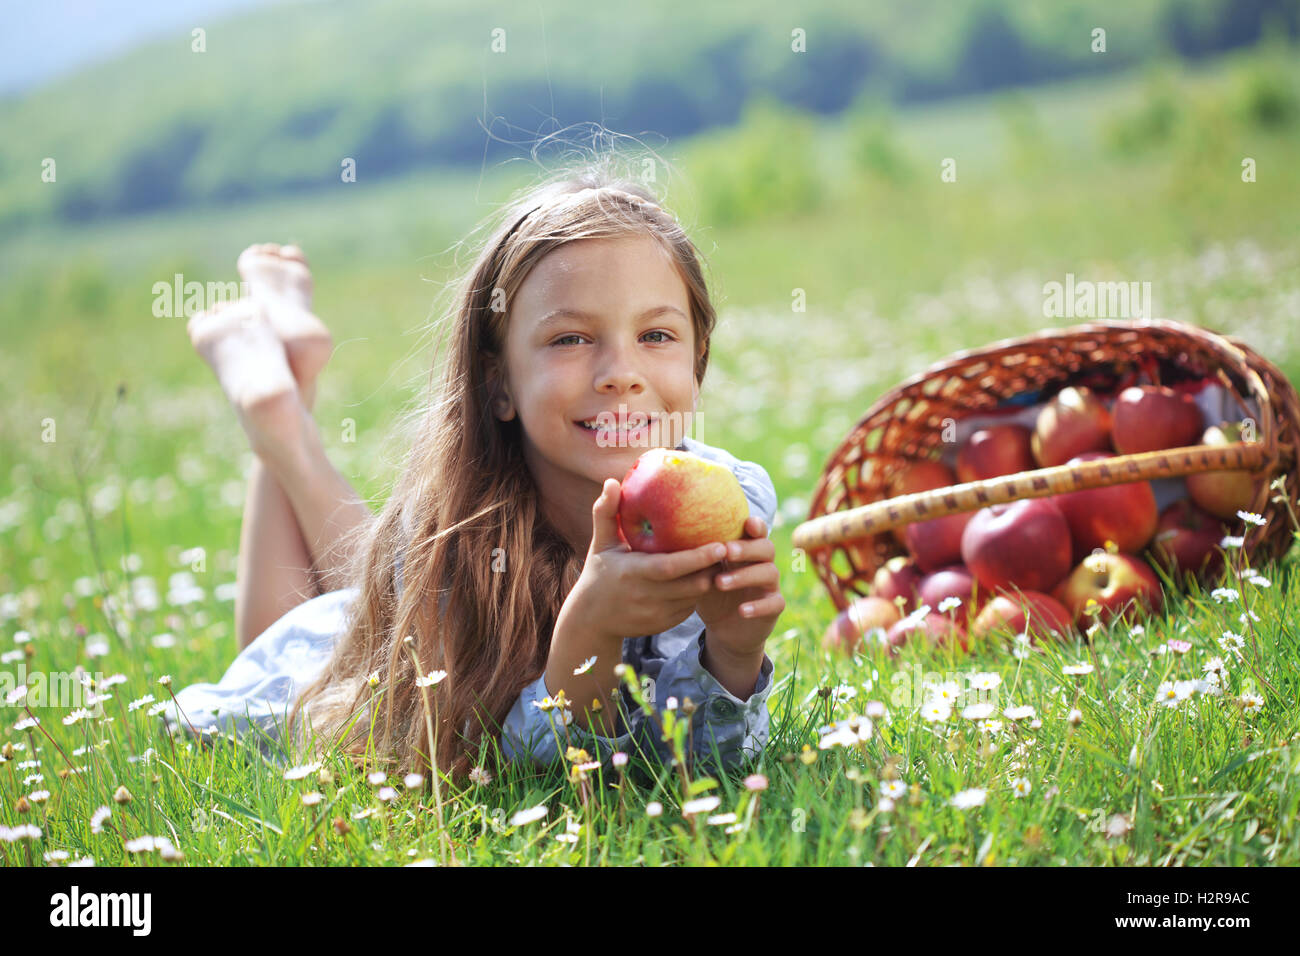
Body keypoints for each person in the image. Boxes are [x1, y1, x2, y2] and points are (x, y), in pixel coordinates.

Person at [163, 169, 784, 785]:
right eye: (570, 337)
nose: (621, 372)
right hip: (351, 652)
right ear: (499, 383)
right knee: (303, 639)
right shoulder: (457, 539)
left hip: (385, 601)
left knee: (361, 585)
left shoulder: (727, 507)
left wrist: (731, 654)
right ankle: (276, 416)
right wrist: (590, 629)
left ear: (698, 361)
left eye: (656, 334)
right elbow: (509, 768)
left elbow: (694, 757)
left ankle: (280, 401)